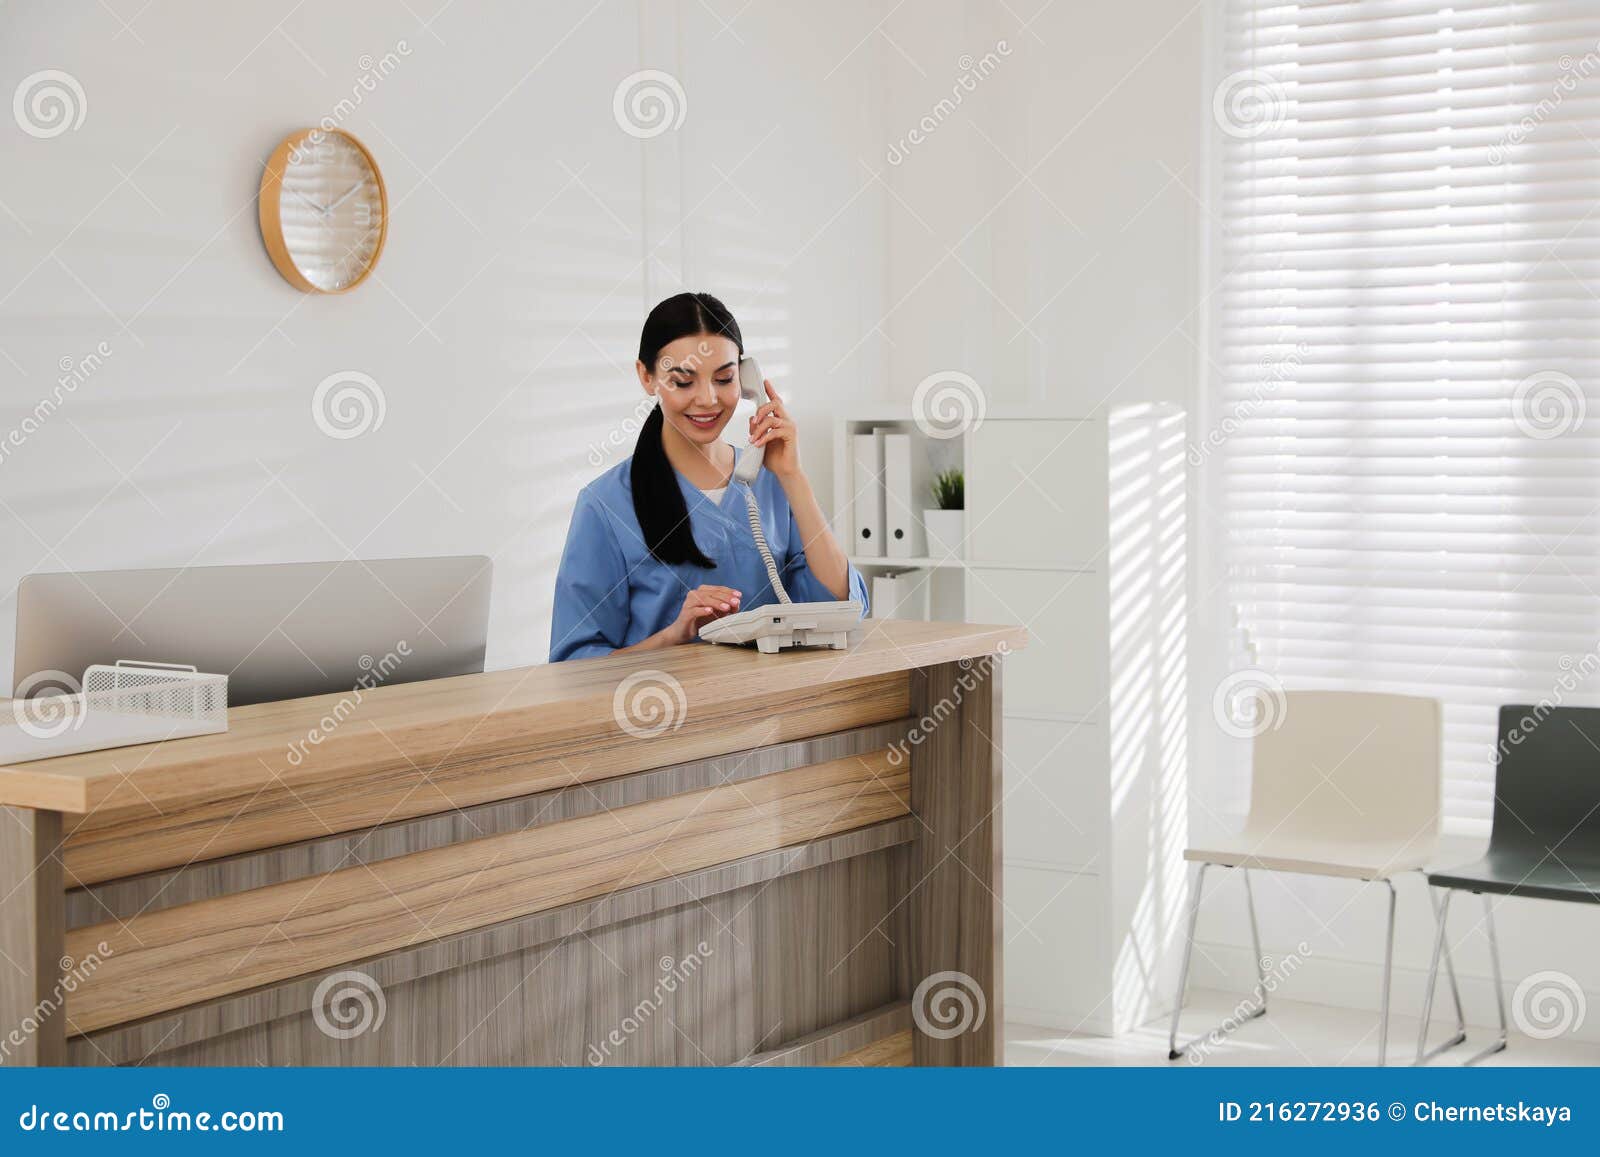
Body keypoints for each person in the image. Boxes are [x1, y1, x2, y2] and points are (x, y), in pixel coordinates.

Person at [549, 292, 868, 661]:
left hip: (774, 707)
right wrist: (674, 636)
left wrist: (793, 476)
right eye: (683, 382)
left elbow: (842, 607)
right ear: (647, 376)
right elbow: (572, 665)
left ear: (747, 378)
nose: (707, 399)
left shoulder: (771, 482)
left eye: (724, 378)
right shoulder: (605, 505)